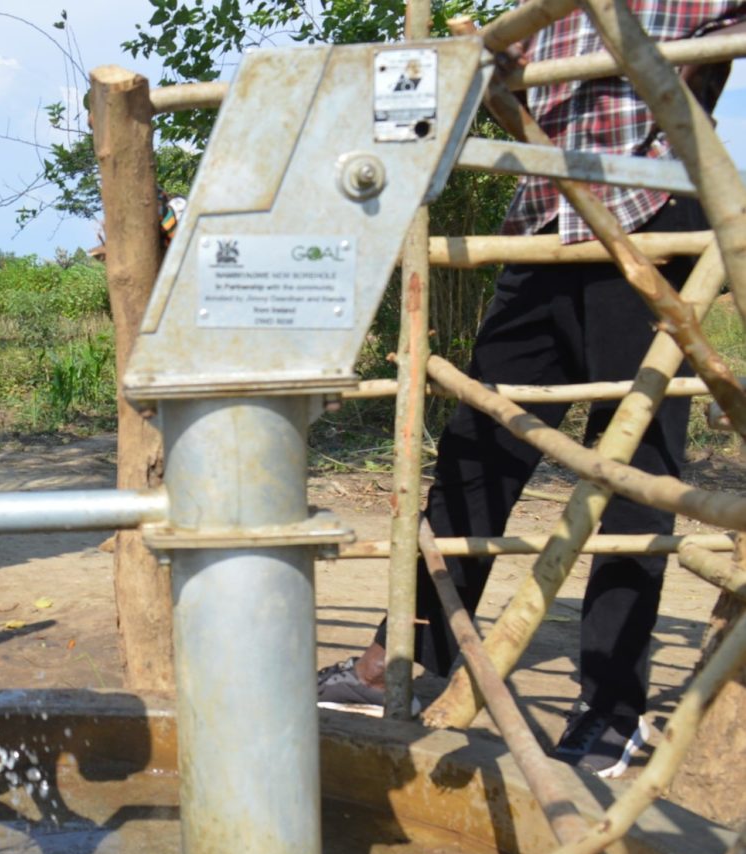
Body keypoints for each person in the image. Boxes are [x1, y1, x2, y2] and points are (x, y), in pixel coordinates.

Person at [317, 3, 746, 778]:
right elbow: (529, 103)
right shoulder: (544, 9)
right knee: (476, 449)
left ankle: (611, 710)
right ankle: (400, 659)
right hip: (543, 222)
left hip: (646, 213)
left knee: (636, 473)